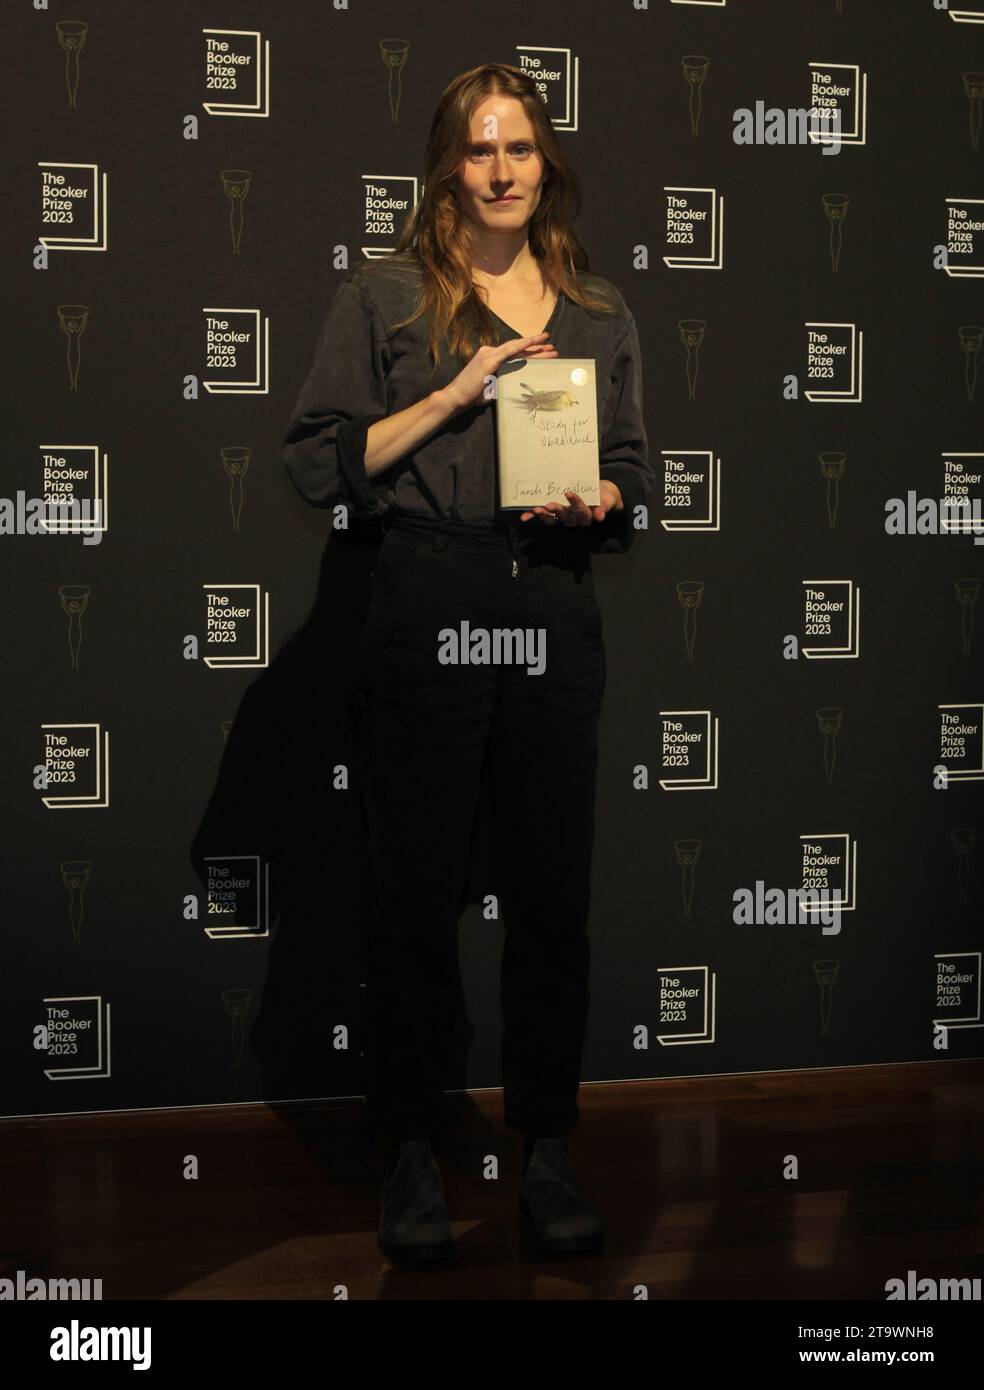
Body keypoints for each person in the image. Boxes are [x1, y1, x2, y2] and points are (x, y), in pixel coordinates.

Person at [282, 62, 653, 1263]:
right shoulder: (387, 295)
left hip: (551, 603)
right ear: (448, 166)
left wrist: (602, 494)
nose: (503, 172)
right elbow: (320, 461)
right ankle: (408, 1154)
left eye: (523, 150)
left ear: (549, 163)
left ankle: (546, 1148)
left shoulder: (597, 310)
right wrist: (454, 391)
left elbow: (638, 480)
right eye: (480, 151)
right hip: (427, 595)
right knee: (412, 897)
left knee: (553, 896)